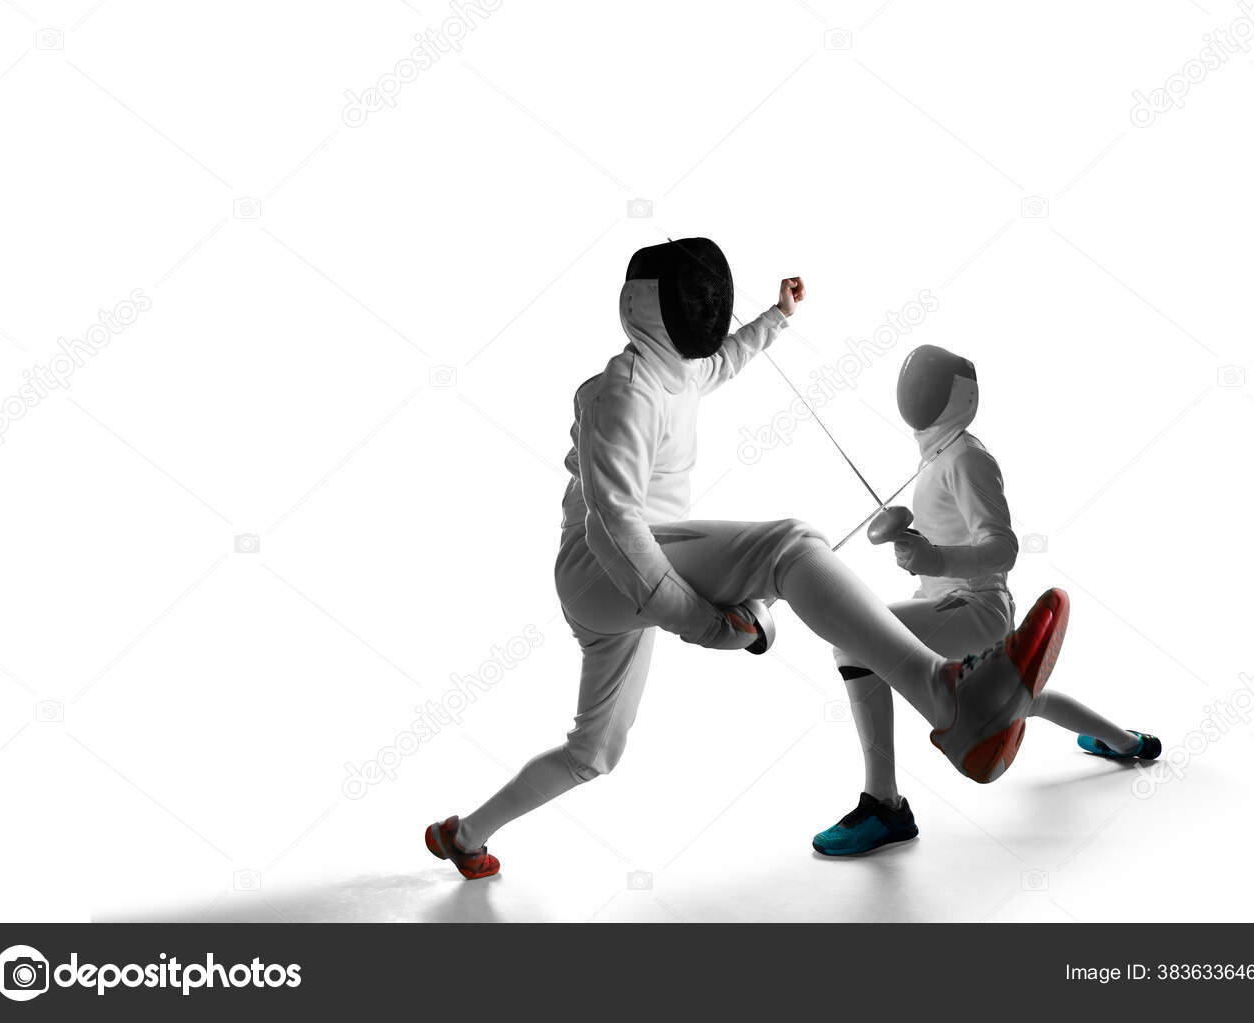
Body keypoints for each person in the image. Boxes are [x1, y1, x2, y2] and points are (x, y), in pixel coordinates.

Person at [424, 239, 1069, 880]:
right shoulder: (619, 394)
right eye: (696, 296)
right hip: (603, 569)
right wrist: (705, 623)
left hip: (624, 585)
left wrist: (778, 317)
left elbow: (727, 360)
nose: (707, 308)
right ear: (652, 306)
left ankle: (466, 834)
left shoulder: (674, 369)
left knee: (593, 754)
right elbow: (614, 529)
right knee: (789, 545)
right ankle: (944, 695)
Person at [811, 344, 1162, 858]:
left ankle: (884, 805)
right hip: (955, 609)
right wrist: (923, 559)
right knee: (1023, 702)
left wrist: (934, 560)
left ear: (956, 395)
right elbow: (946, 547)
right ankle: (1126, 742)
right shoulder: (936, 457)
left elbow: (1003, 547)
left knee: (854, 638)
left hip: (976, 610)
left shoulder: (967, 458)